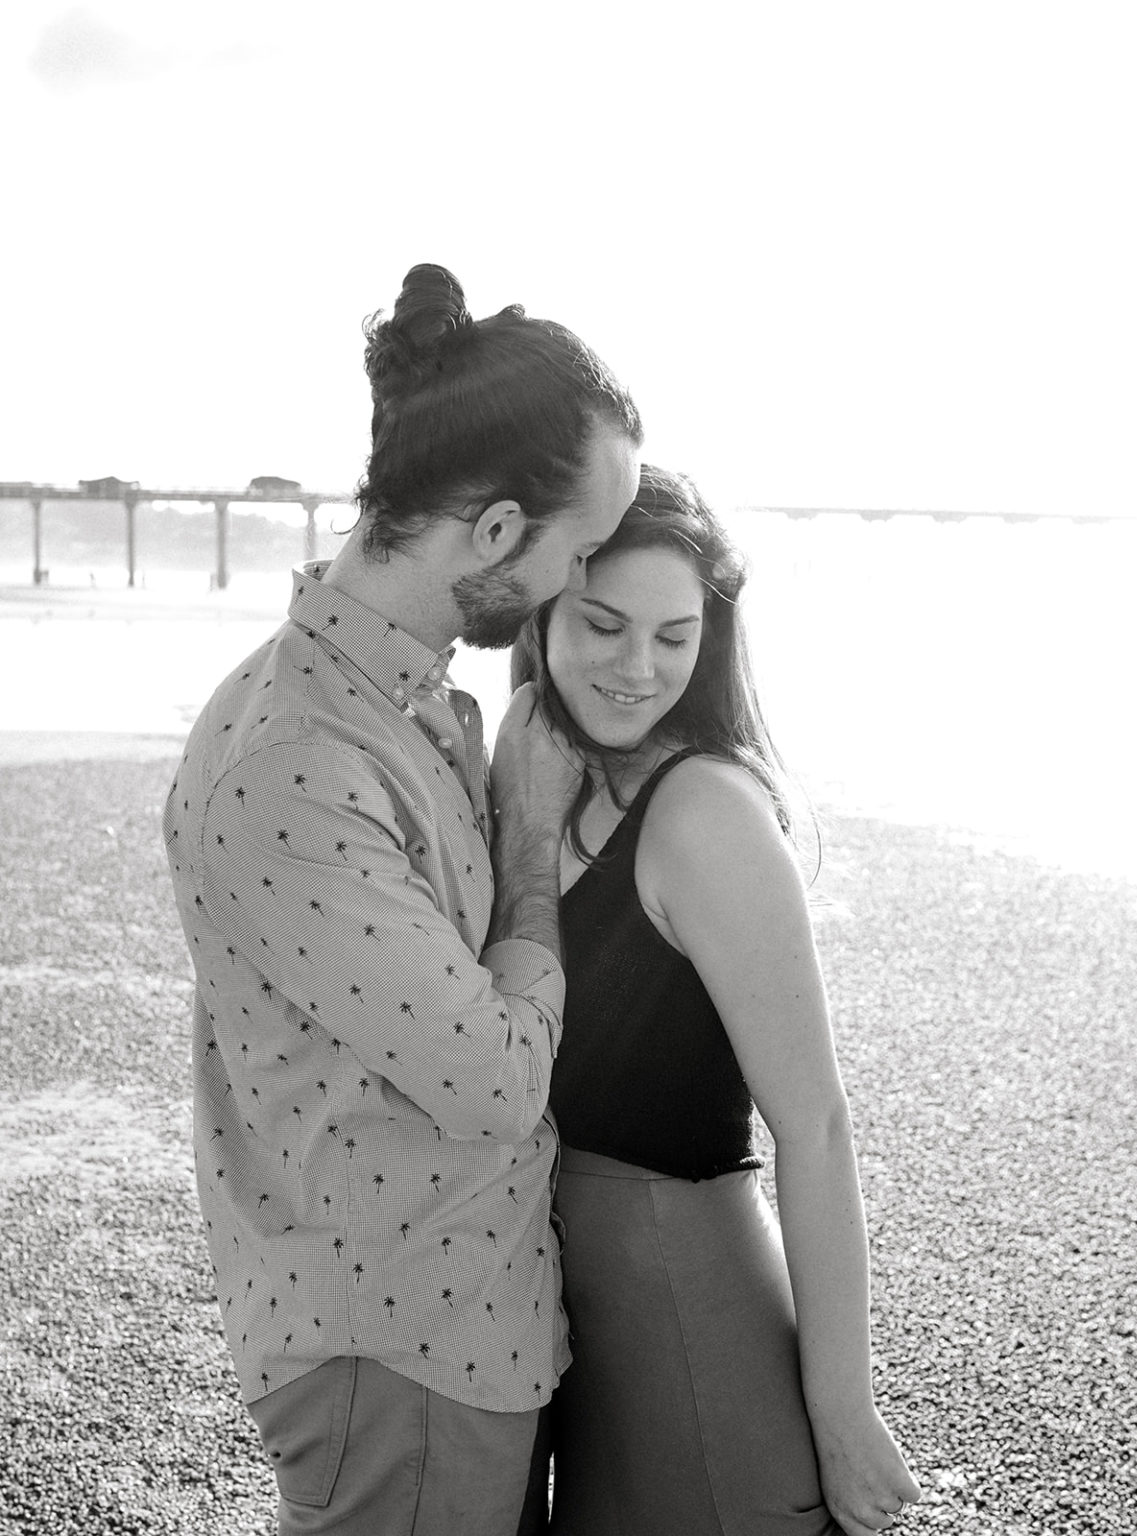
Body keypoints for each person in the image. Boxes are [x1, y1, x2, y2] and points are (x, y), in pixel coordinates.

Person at [162, 263, 642, 1536]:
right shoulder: (300, 763)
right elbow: (492, 1080)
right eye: (581, 553)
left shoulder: (400, 699)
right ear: (493, 535)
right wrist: (532, 840)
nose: (586, 593)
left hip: (461, 1320)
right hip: (401, 1349)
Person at [508, 467, 921, 1536]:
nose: (637, 668)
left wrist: (843, 1408)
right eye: (603, 625)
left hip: (693, 1326)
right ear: (546, 600)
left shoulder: (704, 813)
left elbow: (817, 1125)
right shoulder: (535, 776)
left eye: (674, 637)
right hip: (576, 1351)